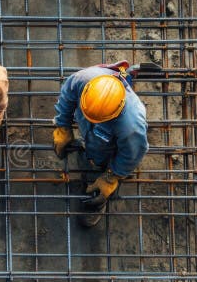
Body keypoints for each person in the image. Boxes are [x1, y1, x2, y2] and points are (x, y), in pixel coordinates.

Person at [52, 61, 149, 225]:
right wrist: (63, 126)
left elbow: (131, 155)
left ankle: (99, 195)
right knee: (90, 154)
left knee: (103, 166)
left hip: (109, 149)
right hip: (90, 135)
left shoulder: (131, 125)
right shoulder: (84, 79)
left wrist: (111, 177)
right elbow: (67, 96)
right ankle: (128, 75)